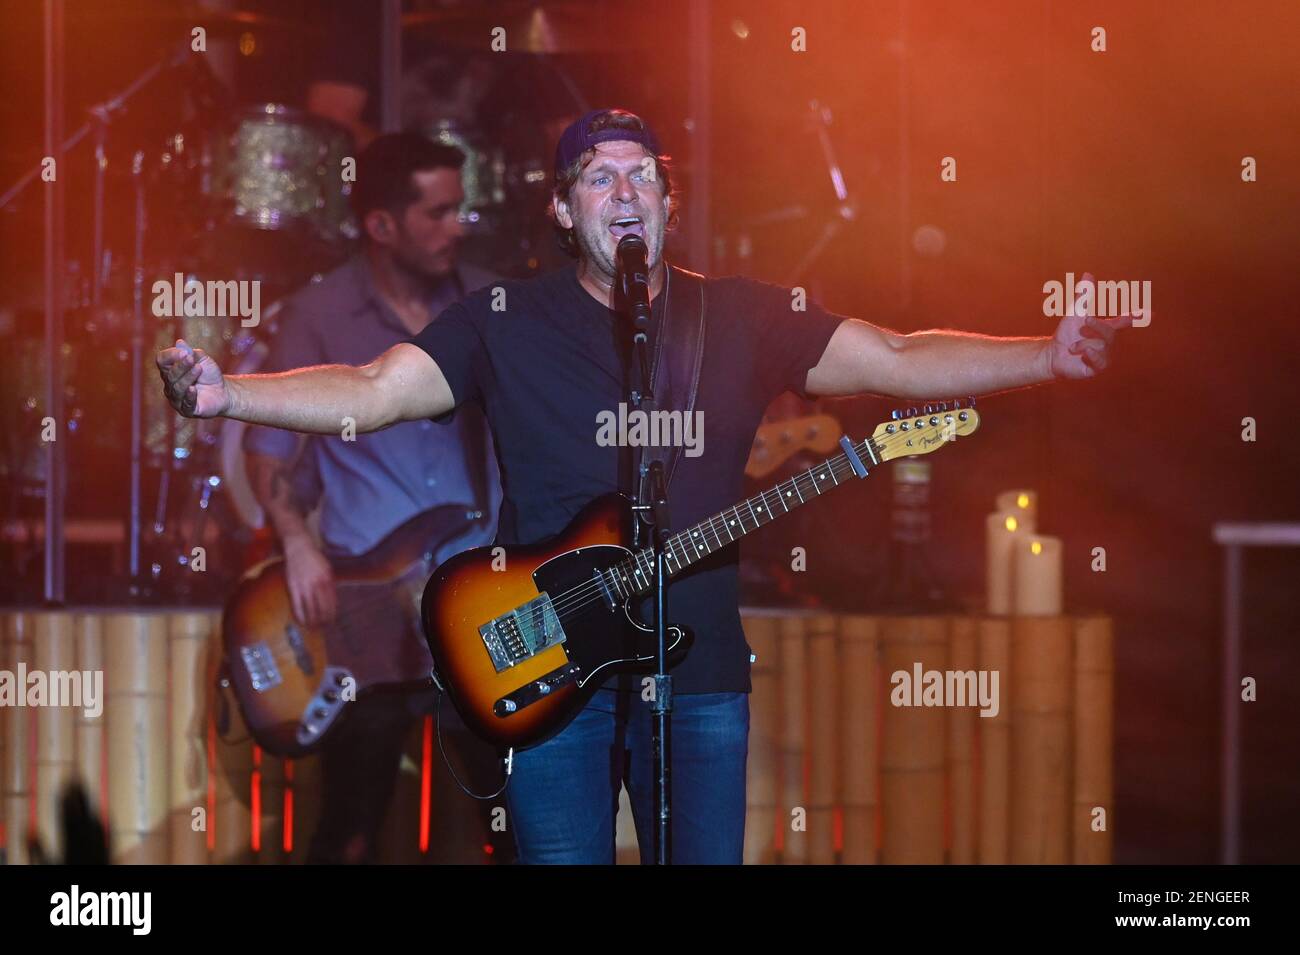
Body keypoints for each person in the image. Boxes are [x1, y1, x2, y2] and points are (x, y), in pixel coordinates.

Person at [159, 108, 1128, 865]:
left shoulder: (743, 316)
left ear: (668, 198)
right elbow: (371, 393)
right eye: (597, 175)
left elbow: (900, 357)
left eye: (642, 175)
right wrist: (224, 393)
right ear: (561, 206)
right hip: (548, 672)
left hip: (699, 676)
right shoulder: (503, 317)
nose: (623, 192)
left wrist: (1047, 354)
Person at [241, 132, 504, 864]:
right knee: (348, 833)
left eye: (462, 209)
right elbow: (267, 456)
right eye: (439, 211)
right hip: (362, 613)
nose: (459, 226)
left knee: (514, 830)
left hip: (478, 606)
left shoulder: (491, 304)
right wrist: (295, 539)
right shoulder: (319, 314)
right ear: (381, 225)